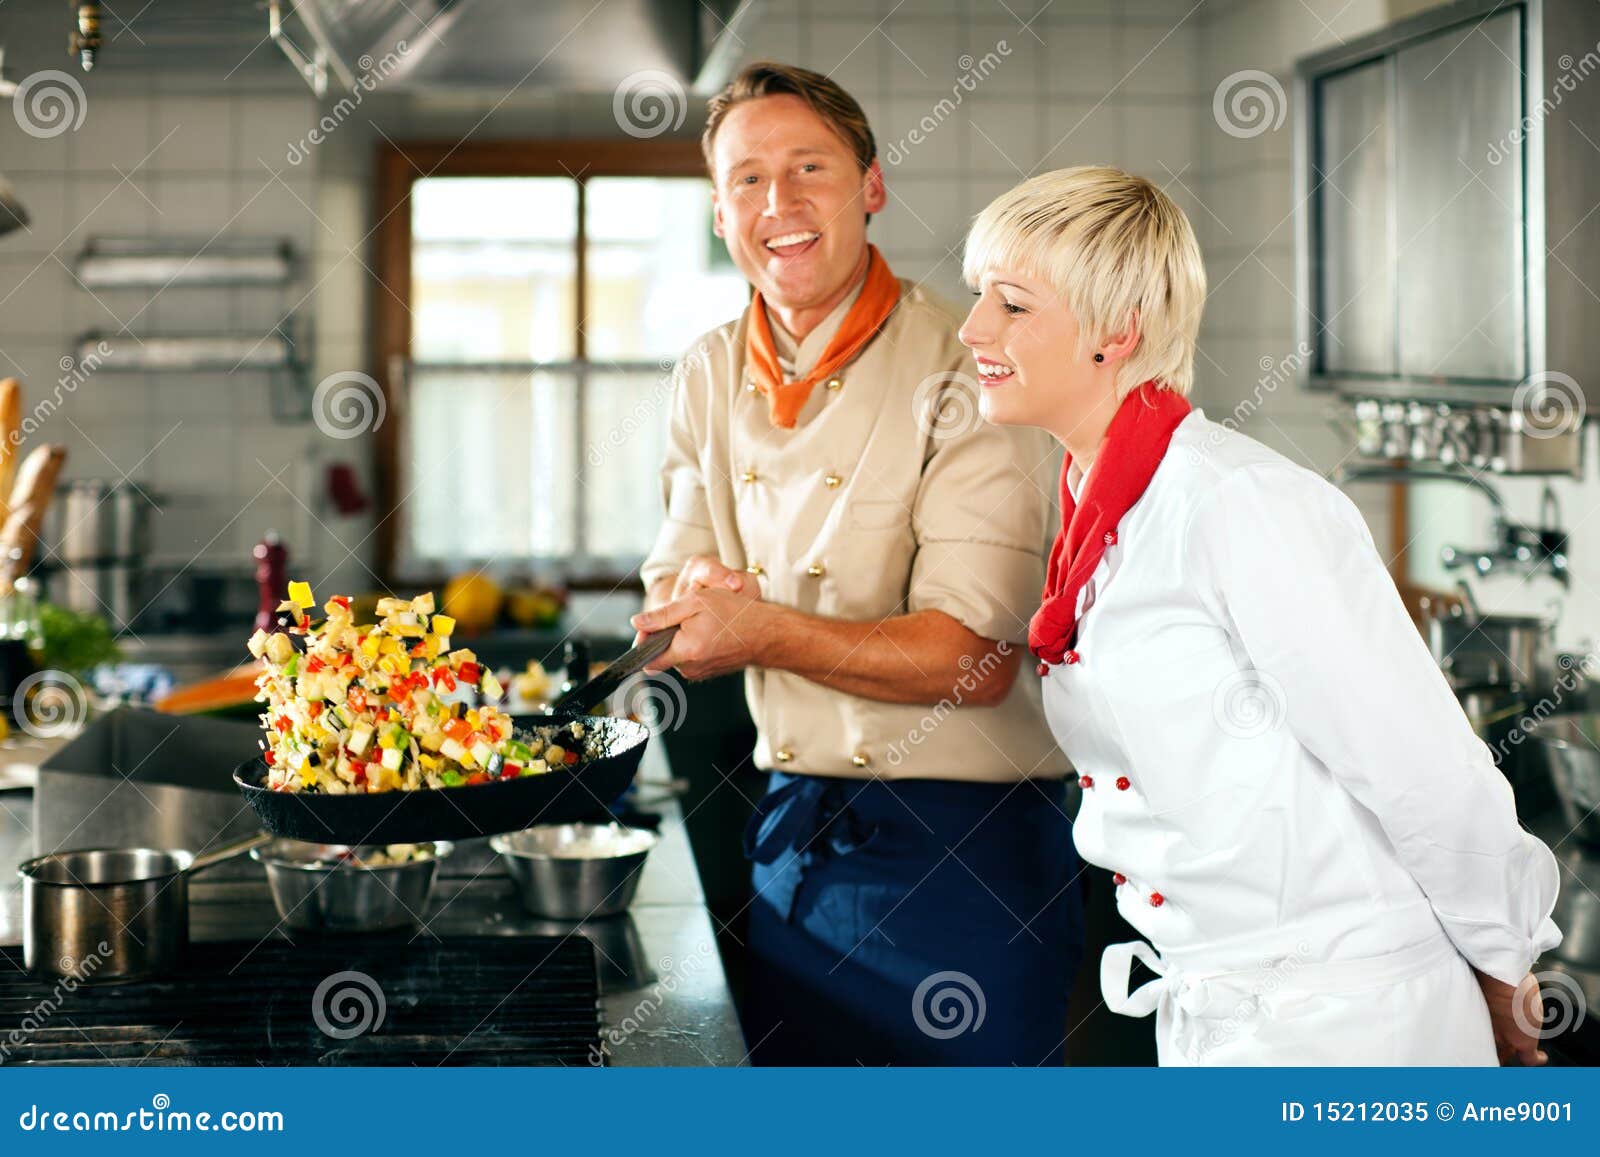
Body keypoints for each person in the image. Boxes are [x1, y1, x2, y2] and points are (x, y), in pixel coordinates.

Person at [957, 164, 1562, 1066]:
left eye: (1011, 304)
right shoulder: (1105, 506)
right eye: (979, 299)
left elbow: (1416, 758)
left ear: (1116, 331)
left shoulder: (1236, 501)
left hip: (1351, 1020)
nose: (972, 330)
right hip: (1225, 1004)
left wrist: (1505, 961)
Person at [630, 62, 1082, 1066]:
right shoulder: (706, 370)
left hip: (963, 852)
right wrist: (691, 600)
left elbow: (971, 661)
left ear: (870, 185)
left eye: (809, 168)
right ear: (717, 213)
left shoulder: (967, 366)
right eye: (747, 178)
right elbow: (674, 576)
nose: (778, 203)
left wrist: (759, 632)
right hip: (795, 838)